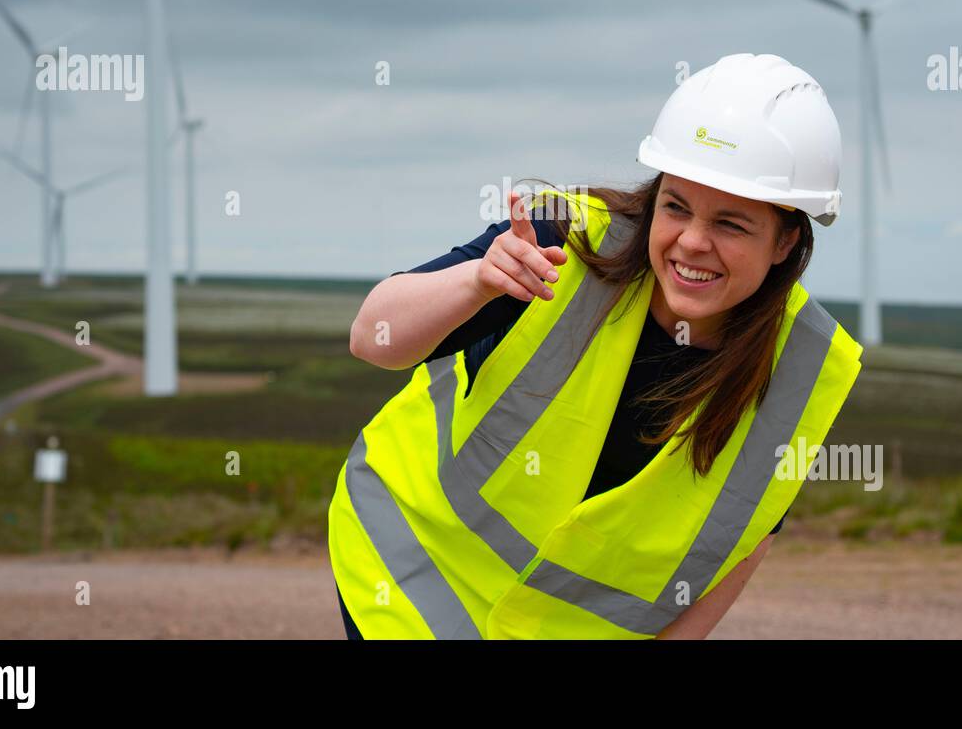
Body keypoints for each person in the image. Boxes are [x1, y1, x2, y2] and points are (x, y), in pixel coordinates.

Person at [331, 53, 864, 639]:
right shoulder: (566, 239)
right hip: (413, 575)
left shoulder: (804, 369)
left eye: (731, 225)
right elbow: (372, 338)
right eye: (676, 207)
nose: (692, 242)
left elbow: (733, 547)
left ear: (786, 241)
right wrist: (478, 281)